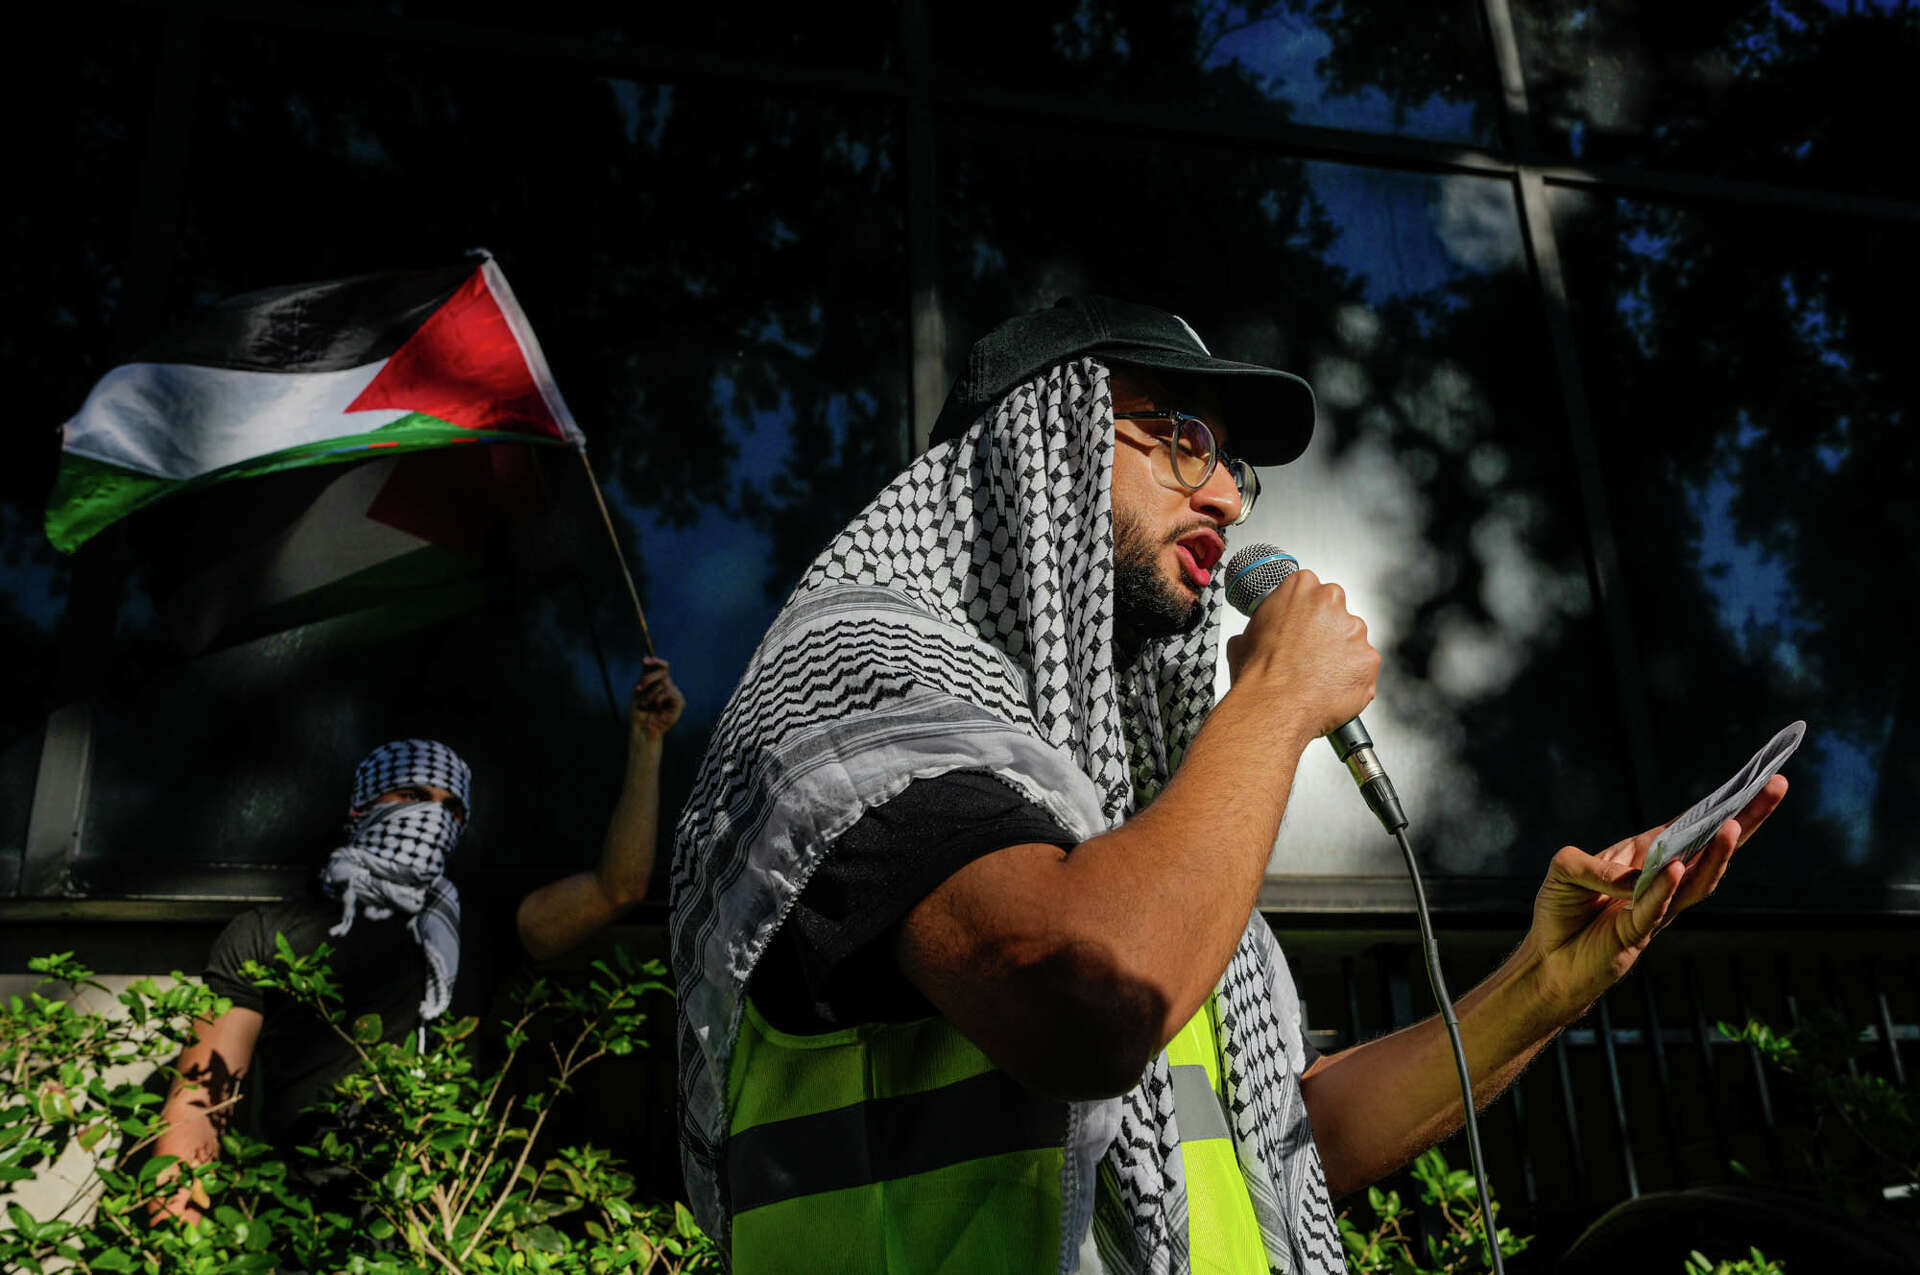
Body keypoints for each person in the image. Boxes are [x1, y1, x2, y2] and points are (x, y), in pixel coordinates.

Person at [669, 296, 1788, 1274]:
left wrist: (1550, 983)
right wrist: (1276, 700)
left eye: (1234, 468)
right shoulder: (860, 683)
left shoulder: (1127, 807)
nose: (1229, 503)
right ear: (1034, 450)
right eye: (1182, 439)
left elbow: (1287, 1141)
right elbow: (1083, 998)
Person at [151, 657, 684, 1222]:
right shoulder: (267, 933)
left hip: (443, 1217)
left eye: (451, 807)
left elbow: (616, 890)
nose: (433, 815)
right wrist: (179, 1201)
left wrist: (646, 744)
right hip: (301, 1222)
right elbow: (201, 1094)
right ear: (361, 807)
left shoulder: (478, 925)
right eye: (411, 795)